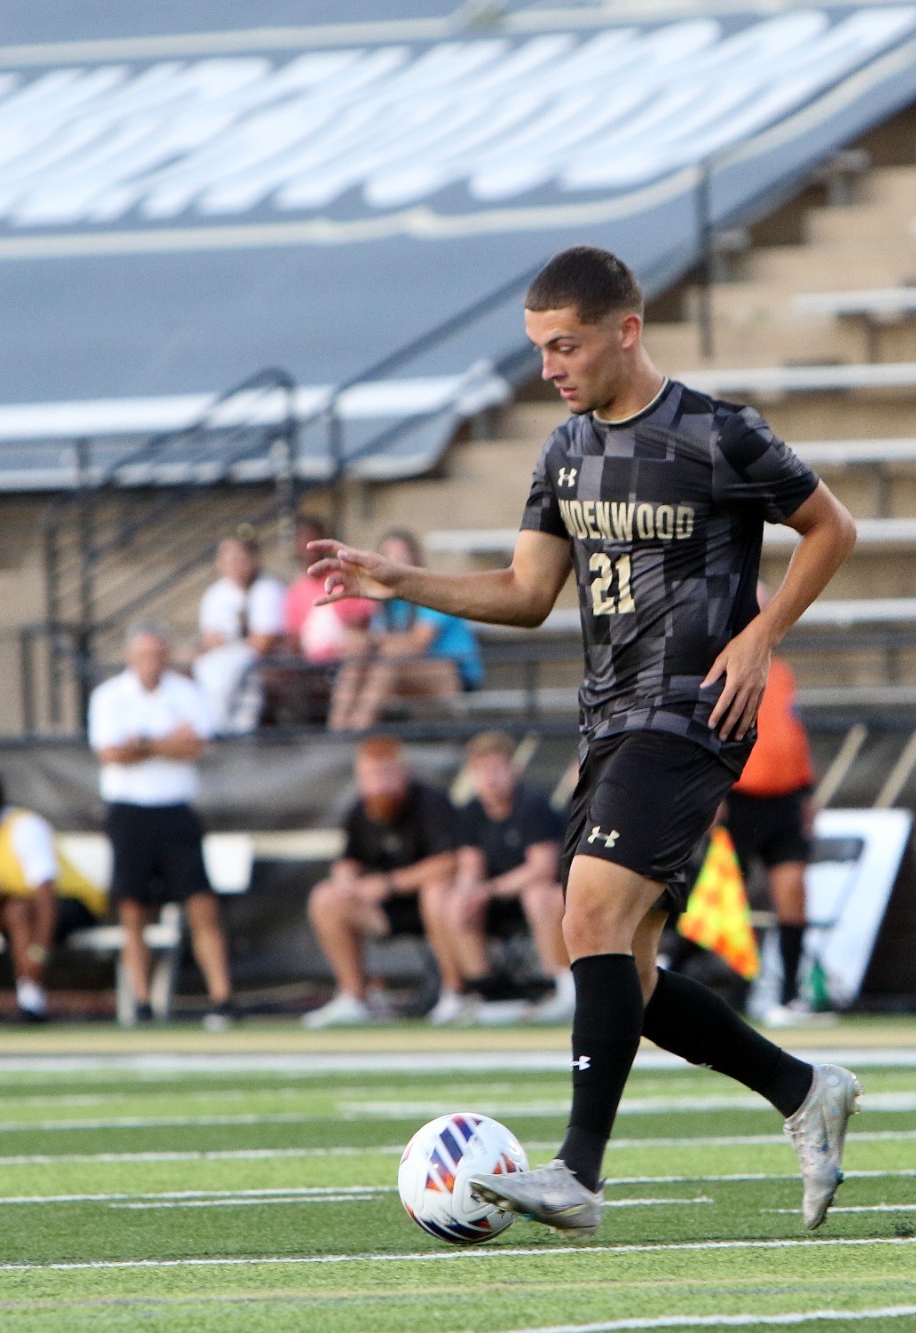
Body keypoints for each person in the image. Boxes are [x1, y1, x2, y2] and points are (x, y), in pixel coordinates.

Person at [309, 243, 861, 1240]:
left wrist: (760, 632)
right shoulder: (563, 451)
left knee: (589, 917)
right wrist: (398, 583)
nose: (551, 366)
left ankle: (577, 1172)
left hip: (691, 715)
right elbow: (524, 595)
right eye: (539, 348)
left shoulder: (715, 433)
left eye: (565, 345)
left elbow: (832, 529)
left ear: (626, 330)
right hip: (607, 723)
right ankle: (802, 1087)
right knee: (626, 978)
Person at [87, 624, 237, 1030]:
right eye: (145, 655)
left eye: (159, 654)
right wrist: (162, 743)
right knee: (134, 910)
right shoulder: (110, 696)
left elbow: (195, 745)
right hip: (130, 813)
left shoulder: (185, 692)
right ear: (131, 658)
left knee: (201, 904)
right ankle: (141, 1001)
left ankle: (221, 998)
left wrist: (143, 743)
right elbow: (111, 752)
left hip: (176, 812)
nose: (153, 663)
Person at [302, 736, 462, 1027]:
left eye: (387, 774)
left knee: (435, 893)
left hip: (440, 906)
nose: (380, 784)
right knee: (326, 897)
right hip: (388, 911)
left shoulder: (430, 803)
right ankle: (353, 997)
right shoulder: (359, 811)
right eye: (371, 775)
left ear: (404, 772)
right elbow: (347, 862)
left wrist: (389, 884)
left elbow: (448, 864)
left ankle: (454, 993)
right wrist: (347, 881)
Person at [725, 591, 822, 1028]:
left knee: (793, 891)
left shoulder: (781, 673)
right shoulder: (723, 664)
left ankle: (788, 994)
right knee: (724, 896)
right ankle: (681, 968)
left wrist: (806, 792)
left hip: (783, 801)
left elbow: (791, 736)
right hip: (738, 798)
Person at [0, 768, 108, 1024]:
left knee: (18, 910)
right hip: (21, 905)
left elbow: (45, 895)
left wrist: (40, 952)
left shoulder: (25, 826)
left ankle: (32, 1003)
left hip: (72, 903)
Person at [448, 730, 574, 1024]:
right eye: (481, 770)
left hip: (538, 895)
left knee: (539, 896)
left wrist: (488, 890)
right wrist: (468, 893)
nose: (490, 779)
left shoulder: (533, 805)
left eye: (496, 768)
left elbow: (542, 868)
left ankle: (563, 987)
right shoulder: (471, 811)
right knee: (450, 901)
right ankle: (484, 990)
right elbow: (470, 867)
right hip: (495, 902)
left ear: (512, 769)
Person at [328, 529, 483, 731]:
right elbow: (377, 640)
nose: (393, 561)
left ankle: (360, 727)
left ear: (415, 560)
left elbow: (417, 643)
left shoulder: (433, 592)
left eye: (400, 556)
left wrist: (371, 640)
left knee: (392, 653)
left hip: (453, 675)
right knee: (357, 653)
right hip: (404, 672)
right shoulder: (385, 601)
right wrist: (361, 640)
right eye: (388, 555)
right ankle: (337, 727)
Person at [193, 533, 287, 734]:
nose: (235, 565)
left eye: (240, 558)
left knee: (241, 675)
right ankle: (214, 728)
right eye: (228, 559)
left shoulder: (269, 589)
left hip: (265, 660)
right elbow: (211, 638)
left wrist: (235, 647)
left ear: (254, 558)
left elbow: (263, 642)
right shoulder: (215, 593)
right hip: (225, 657)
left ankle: (236, 732)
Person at [283, 515, 373, 666]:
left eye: (311, 539)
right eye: (300, 539)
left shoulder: (345, 578)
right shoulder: (296, 590)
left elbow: (361, 624)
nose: (306, 546)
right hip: (310, 666)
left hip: (344, 660)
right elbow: (294, 637)